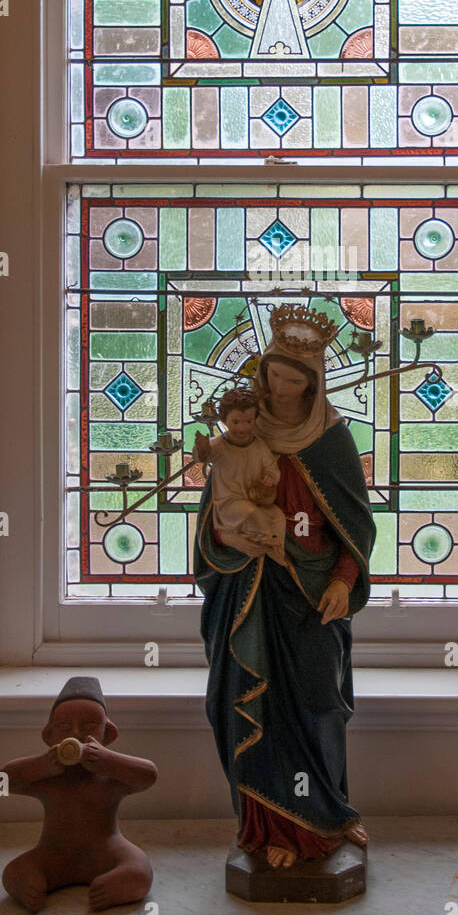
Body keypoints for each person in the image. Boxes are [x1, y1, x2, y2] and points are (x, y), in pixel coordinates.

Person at [193, 304, 375, 870]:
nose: (281, 389)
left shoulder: (332, 441)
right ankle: (269, 825)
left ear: (314, 383)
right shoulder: (237, 440)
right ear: (263, 372)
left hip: (316, 598)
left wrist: (345, 581)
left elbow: (356, 526)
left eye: (295, 381)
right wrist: (232, 542)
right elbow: (210, 526)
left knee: (321, 703)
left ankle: (328, 814)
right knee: (256, 707)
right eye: (274, 376)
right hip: (251, 594)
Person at [0, 676, 157, 911]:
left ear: (108, 732)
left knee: (140, 872)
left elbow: (149, 775)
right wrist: (41, 765)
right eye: (64, 728)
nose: (76, 734)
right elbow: (3, 782)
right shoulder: (50, 780)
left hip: (107, 851)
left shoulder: (111, 778)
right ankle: (29, 886)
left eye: (89, 726)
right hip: (53, 855)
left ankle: (114, 886)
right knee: (13, 872)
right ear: (50, 735)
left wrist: (110, 761)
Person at [202, 386, 285, 565]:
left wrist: (270, 478)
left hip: (255, 498)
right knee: (252, 512)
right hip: (228, 504)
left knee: (277, 516)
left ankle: (277, 549)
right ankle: (267, 541)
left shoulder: (259, 446)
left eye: (248, 421)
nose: (242, 428)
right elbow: (203, 455)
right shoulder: (219, 445)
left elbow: (272, 468)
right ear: (224, 420)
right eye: (236, 422)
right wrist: (201, 449)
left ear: (256, 419)